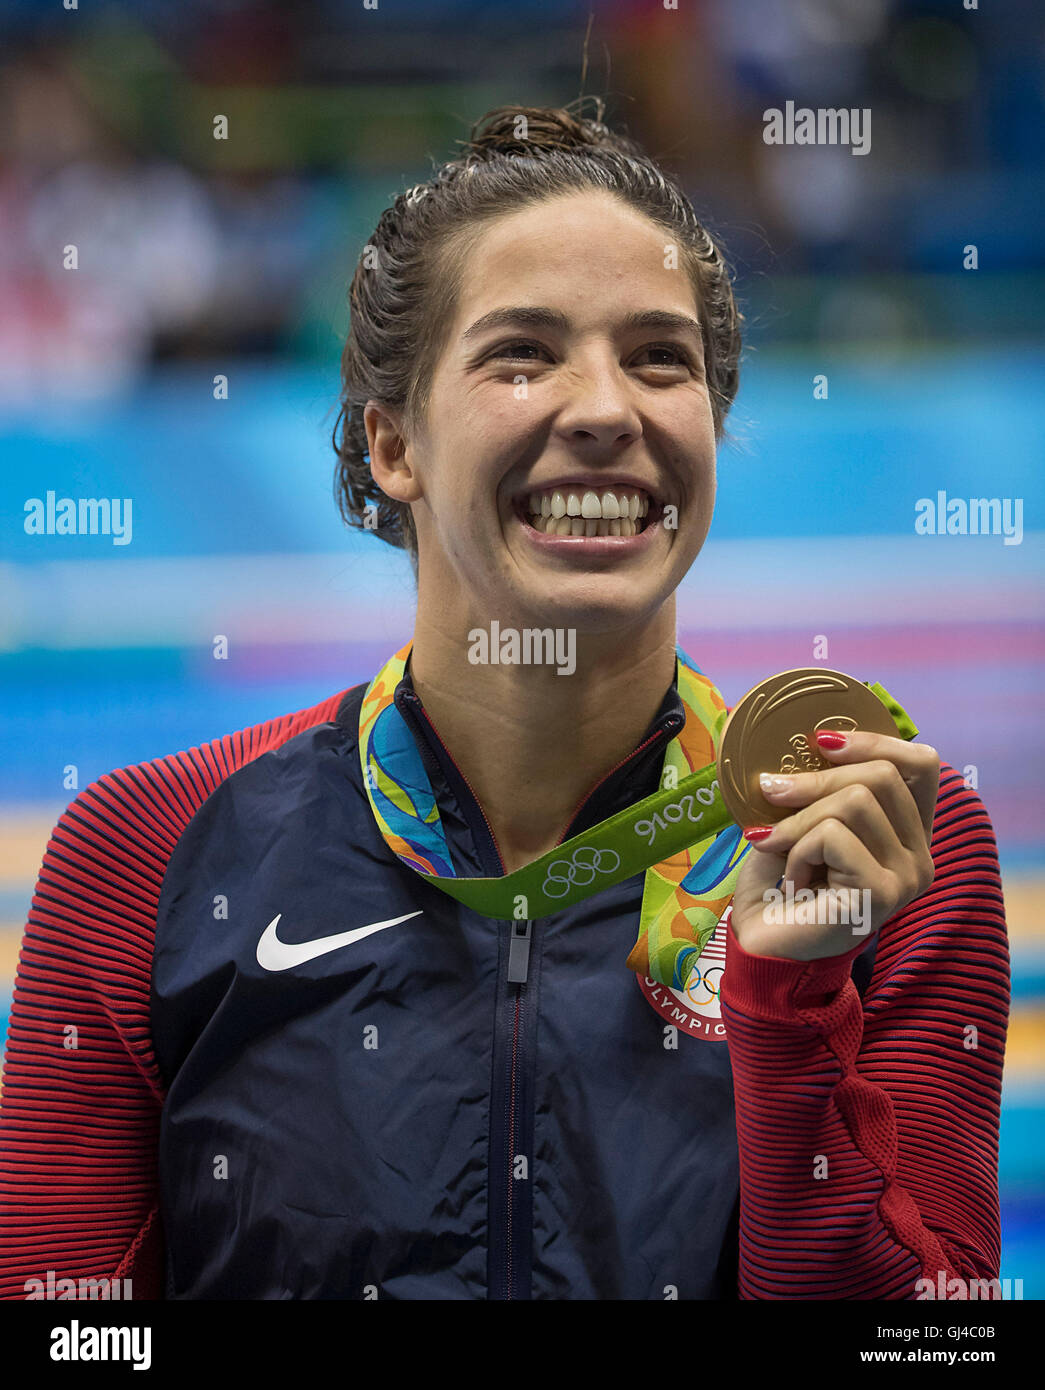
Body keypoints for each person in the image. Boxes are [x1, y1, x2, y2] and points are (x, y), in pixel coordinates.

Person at [0, 101, 1009, 1301]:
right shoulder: (145, 854)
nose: (603, 408)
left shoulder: (891, 842)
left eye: (658, 358)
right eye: (521, 353)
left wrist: (793, 1007)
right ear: (392, 446)